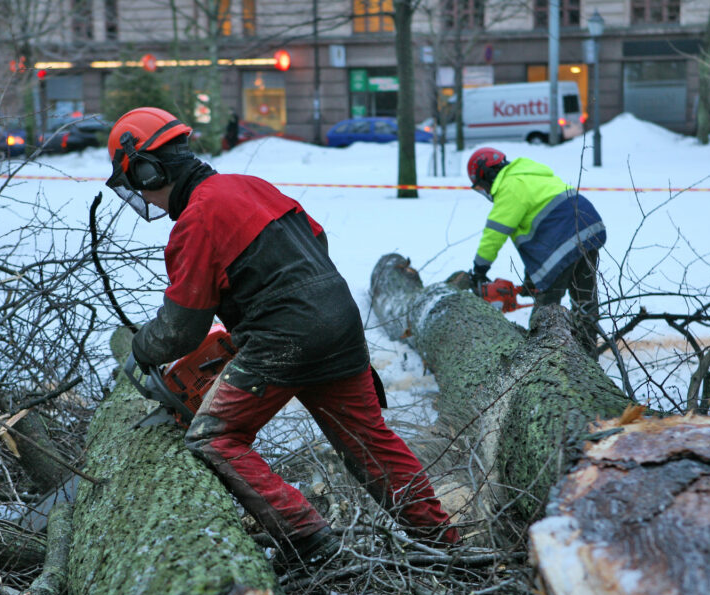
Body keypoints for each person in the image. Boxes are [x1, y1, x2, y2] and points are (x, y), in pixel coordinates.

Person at [106, 107, 459, 565]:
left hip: (286, 337)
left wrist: (141, 349)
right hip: (339, 321)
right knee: (369, 441)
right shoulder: (253, 187)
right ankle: (442, 542)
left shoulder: (195, 219)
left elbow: (180, 328)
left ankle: (310, 541)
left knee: (214, 437)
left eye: (139, 186)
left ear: (148, 169)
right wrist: (250, 318)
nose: (146, 200)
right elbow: (316, 241)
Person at [466, 147, 607, 353]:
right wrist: (531, 279)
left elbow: (495, 233)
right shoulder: (528, 175)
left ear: (487, 174)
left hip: (563, 240)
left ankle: (538, 356)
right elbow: (541, 236)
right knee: (584, 297)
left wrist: (479, 269)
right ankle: (587, 350)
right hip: (589, 229)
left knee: (546, 307)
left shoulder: (509, 186)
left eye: (481, 187)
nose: (485, 192)